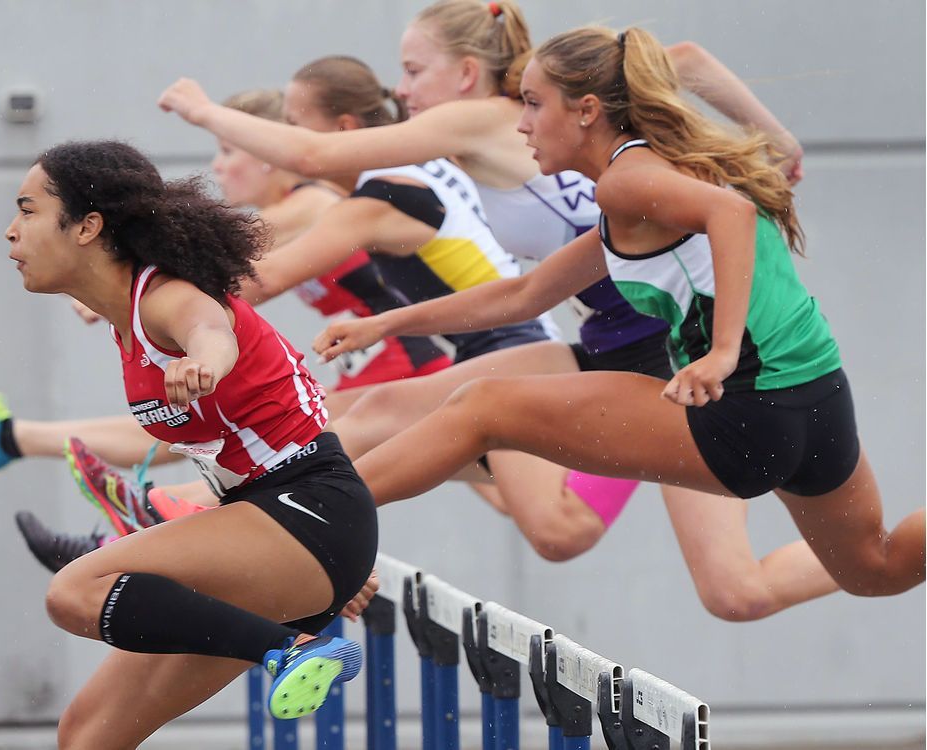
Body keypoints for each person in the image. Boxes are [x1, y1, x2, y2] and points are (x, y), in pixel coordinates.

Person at [157, 0, 838, 621]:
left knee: (583, 535)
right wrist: (776, 138)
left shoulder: (483, 115)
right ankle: (234, 518)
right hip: (606, 336)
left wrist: (201, 109)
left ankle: (252, 522)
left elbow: (311, 153)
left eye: (414, 70)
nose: (402, 90)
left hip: (661, 348)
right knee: (731, 590)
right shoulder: (525, 117)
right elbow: (682, 59)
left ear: (465, 74)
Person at [312, 24, 925, 599]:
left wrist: (724, 351)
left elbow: (730, 216)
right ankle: (313, 518)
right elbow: (524, 296)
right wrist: (385, 322)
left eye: (532, 104)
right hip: (818, 400)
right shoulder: (650, 180)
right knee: (877, 566)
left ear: (586, 111)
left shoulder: (627, 180)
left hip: (748, 409)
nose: (521, 126)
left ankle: (308, 526)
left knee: (482, 406)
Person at [4, 139, 378, 746]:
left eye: (27, 210)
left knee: (73, 592)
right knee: (86, 734)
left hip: (308, 514)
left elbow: (212, 329)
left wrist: (203, 360)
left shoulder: (166, 299)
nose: (10, 232)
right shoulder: (126, 315)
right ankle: (291, 643)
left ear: (87, 227)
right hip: (277, 530)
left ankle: (291, 651)